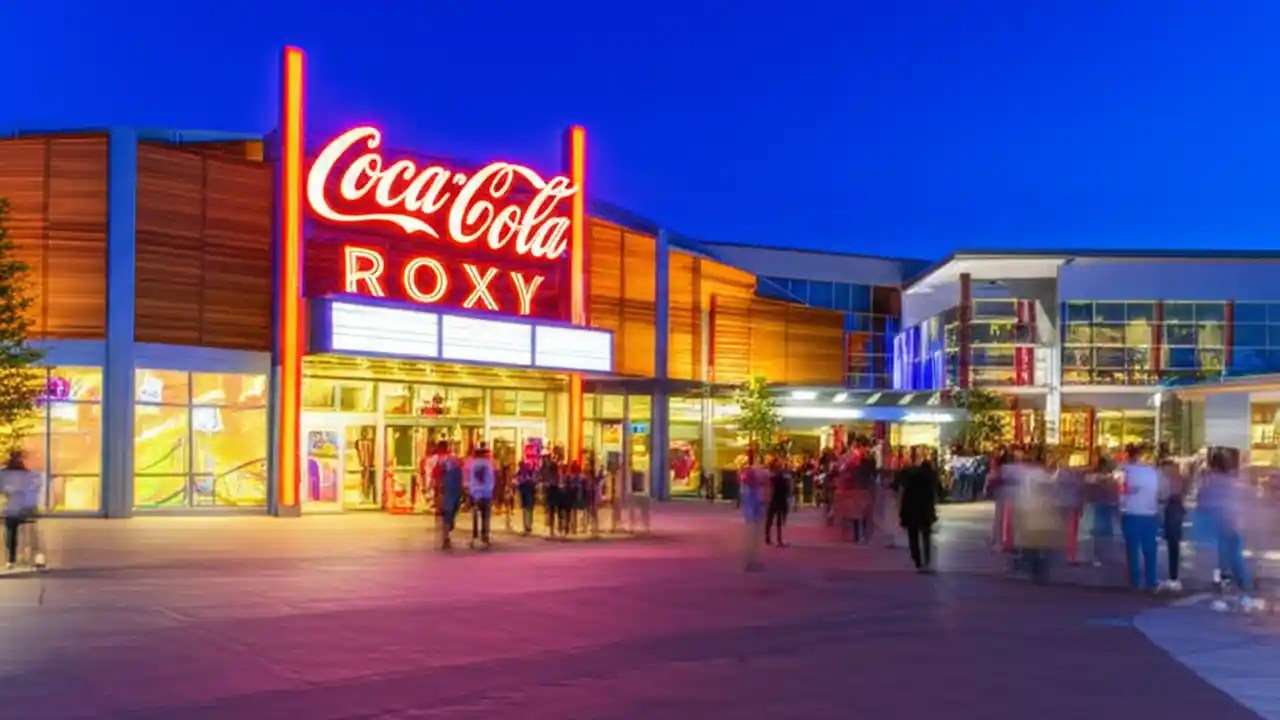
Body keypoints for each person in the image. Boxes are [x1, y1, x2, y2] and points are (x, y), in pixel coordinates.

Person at [1119, 444, 1160, 591]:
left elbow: (1122, 492)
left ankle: (1134, 582)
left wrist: (1122, 505)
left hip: (1131, 513)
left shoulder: (1125, 471)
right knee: (1150, 550)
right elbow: (1158, 492)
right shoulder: (1152, 472)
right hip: (1150, 513)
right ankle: (1151, 581)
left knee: (1132, 550)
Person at [0, 450, 43, 570]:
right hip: (20, 508)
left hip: (14, 508)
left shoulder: (5, 474)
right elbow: (34, 487)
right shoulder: (26, 474)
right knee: (25, 533)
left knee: (12, 533)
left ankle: (12, 559)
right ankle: (28, 558)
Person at [898, 448, 939, 573]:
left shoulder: (908, 475)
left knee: (913, 536)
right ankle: (927, 561)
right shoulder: (930, 477)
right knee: (926, 536)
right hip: (925, 510)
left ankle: (917, 560)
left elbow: (899, 489)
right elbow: (939, 491)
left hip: (911, 510)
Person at [1158, 458, 1189, 593]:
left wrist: (1163, 499)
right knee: (1173, 544)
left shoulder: (1174, 479)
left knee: (1172, 543)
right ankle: (1173, 577)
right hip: (1174, 511)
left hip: (1172, 511)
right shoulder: (1178, 478)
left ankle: (1173, 577)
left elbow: (1171, 495)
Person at [434, 442, 464, 550]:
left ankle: (447, 532)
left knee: (449, 513)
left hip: (450, 490)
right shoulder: (449, 461)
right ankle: (446, 537)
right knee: (448, 513)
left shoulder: (450, 461)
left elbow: (437, 477)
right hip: (449, 490)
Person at [740, 456, 768, 571]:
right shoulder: (757, 485)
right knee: (754, 532)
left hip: (753, 506)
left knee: (752, 532)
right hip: (756, 505)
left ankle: (751, 558)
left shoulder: (748, 487)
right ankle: (753, 558)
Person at [467, 445, 496, 549]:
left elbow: (470, 479)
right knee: (486, 516)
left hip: (475, 493)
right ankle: (485, 536)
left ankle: (475, 537)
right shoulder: (489, 464)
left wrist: (471, 491)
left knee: (475, 516)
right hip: (486, 493)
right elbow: (491, 479)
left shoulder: (472, 464)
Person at [765, 458, 792, 547]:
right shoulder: (783, 476)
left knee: (771, 518)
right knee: (778, 519)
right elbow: (787, 488)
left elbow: (770, 487)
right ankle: (778, 539)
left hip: (775, 498)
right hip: (779, 498)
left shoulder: (771, 476)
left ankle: (769, 537)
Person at [516, 459, 537, 536]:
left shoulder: (530, 472)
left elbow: (534, 480)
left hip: (529, 491)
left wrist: (528, 480)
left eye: (522, 466)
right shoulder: (519, 473)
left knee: (529, 508)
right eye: (520, 466)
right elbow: (518, 481)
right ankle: (525, 526)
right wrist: (521, 481)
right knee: (525, 509)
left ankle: (529, 525)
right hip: (523, 491)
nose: (522, 468)